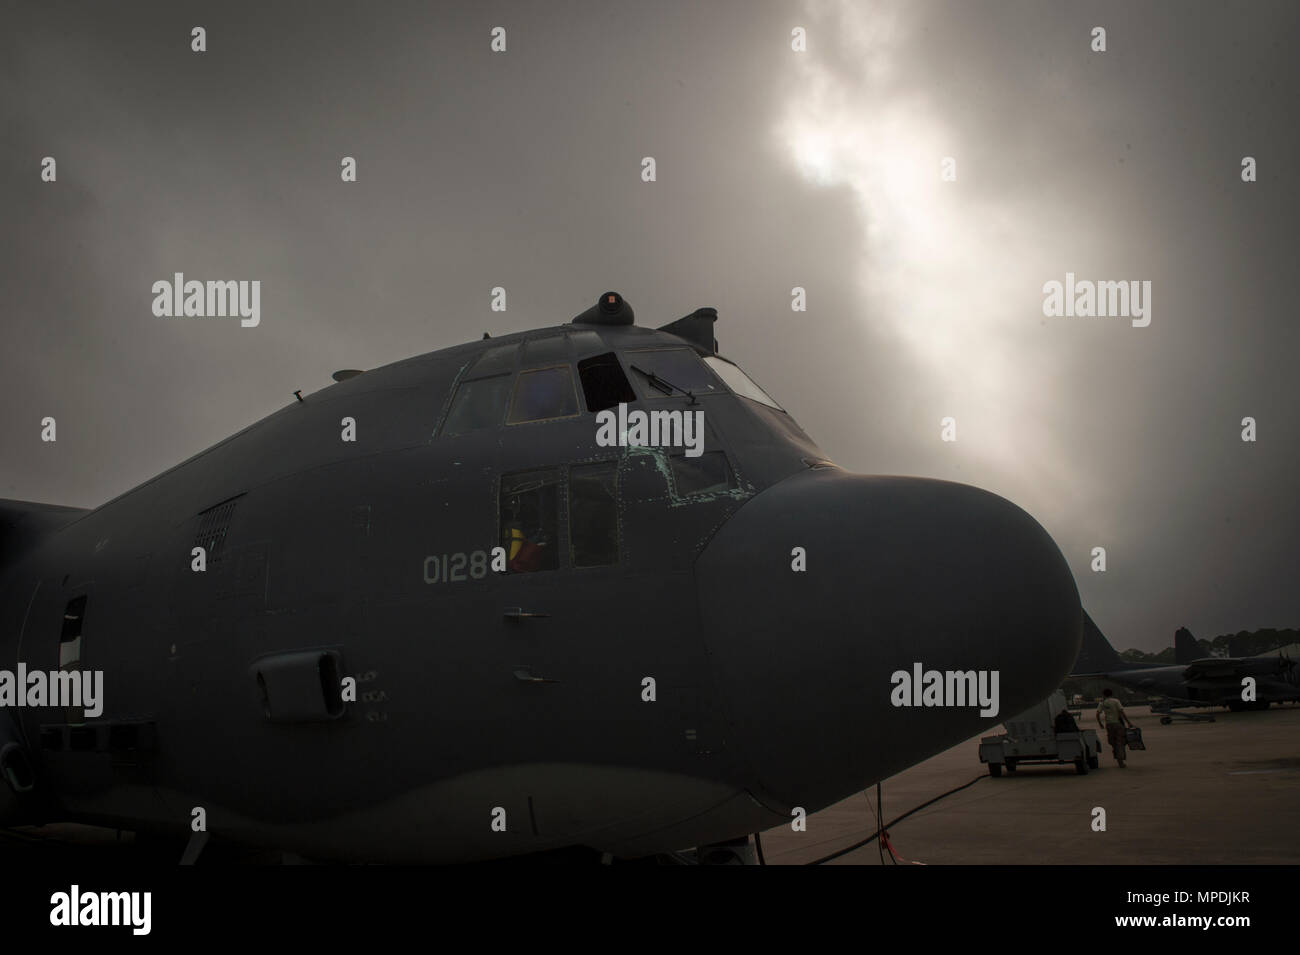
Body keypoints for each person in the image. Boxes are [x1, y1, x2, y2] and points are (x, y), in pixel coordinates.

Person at [1096, 688, 1134, 767]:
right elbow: (1121, 712)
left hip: (1109, 725)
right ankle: (1120, 761)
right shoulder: (1116, 701)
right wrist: (1129, 723)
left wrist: (1100, 724)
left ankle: (1117, 756)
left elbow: (1097, 714)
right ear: (1111, 694)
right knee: (1120, 742)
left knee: (1112, 742)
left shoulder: (1102, 703)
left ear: (1104, 695)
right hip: (1118, 724)